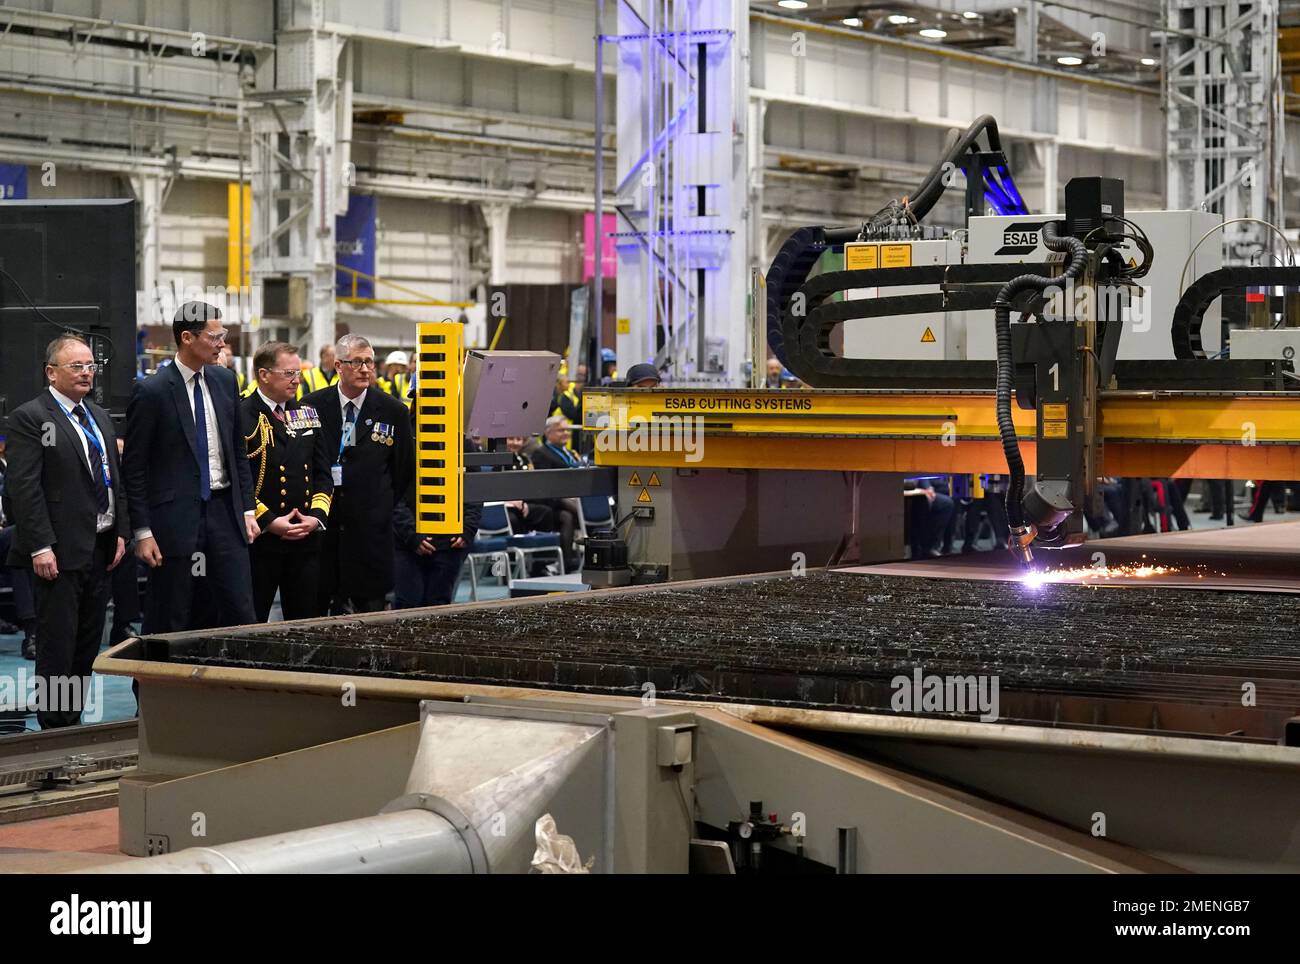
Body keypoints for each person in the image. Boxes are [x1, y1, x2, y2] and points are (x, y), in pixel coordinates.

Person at [4, 335, 131, 727]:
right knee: (58, 644)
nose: (86, 373)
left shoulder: (99, 416)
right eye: (76, 366)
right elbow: (25, 489)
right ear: (51, 372)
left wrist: (121, 531)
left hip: (100, 547)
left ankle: (71, 720)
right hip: (58, 551)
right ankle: (55, 725)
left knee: (87, 643)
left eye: (91, 366)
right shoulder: (31, 417)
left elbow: (114, 480)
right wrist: (41, 546)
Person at [124, 301, 259, 633]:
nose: (222, 344)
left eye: (222, 335)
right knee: (171, 613)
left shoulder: (226, 380)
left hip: (225, 514)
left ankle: (233, 683)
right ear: (187, 337)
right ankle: (156, 683)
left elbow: (238, 453)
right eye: (215, 337)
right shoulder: (152, 390)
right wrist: (142, 532)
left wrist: (248, 509)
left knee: (240, 611)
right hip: (174, 520)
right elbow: (135, 468)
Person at [303, 333, 414, 615]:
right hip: (322, 531)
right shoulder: (310, 406)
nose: (365, 369)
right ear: (339, 366)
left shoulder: (393, 411)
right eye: (357, 363)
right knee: (314, 615)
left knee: (371, 618)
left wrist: (379, 506)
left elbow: (403, 471)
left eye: (370, 362)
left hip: (371, 534)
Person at [241, 342, 333, 622]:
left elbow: (322, 473)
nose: (297, 379)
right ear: (264, 374)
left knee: (303, 622)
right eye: (289, 373)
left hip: (304, 539)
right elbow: (240, 476)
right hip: (261, 538)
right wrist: (269, 521)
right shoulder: (242, 413)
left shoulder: (306, 413)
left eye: (298, 372)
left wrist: (316, 517)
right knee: (252, 621)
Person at [393, 437, 481, 608]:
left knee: (439, 603)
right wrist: (412, 536)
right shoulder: (405, 437)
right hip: (408, 543)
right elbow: (395, 494)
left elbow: (474, 490)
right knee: (408, 603)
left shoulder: (463, 443)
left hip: (450, 542)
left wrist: (467, 528)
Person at [530, 417, 583, 571]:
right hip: (549, 503)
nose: (566, 433)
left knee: (570, 514)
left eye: (567, 430)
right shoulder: (541, 453)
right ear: (548, 433)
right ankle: (567, 561)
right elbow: (544, 486)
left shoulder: (570, 453)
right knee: (568, 515)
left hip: (571, 498)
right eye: (561, 430)